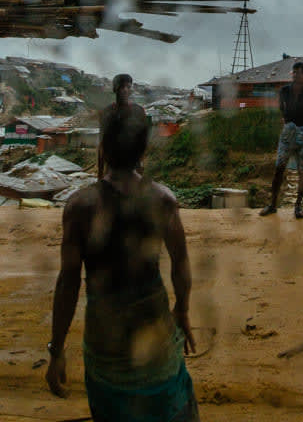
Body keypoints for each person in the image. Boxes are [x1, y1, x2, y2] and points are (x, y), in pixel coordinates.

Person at [46, 104, 200, 421]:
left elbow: (68, 283)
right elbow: (181, 264)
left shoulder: (80, 207)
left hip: (105, 349)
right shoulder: (162, 200)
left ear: (102, 147)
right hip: (155, 344)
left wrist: (56, 350)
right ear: (144, 149)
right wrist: (182, 310)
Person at [259, 61, 303, 219]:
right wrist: (284, 117)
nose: (295, 75)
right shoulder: (285, 90)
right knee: (279, 169)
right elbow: (280, 105)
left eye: (299, 73)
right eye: (294, 72)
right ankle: (272, 205)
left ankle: (298, 206)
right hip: (288, 133)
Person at [97, 73, 147, 180]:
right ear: (115, 89)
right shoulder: (107, 112)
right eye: (122, 87)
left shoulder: (138, 111)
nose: (125, 90)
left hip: (132, 165)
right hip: (113, 166)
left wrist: (141, 163)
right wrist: (100, 174)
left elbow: (142, 140)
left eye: (128, 87)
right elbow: (102, 143)